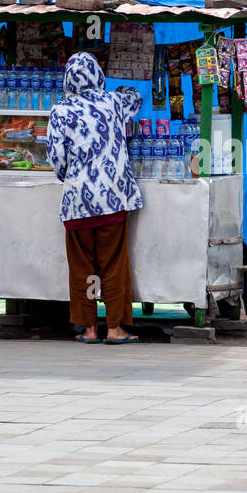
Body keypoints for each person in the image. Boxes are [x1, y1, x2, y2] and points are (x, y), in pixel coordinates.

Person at [47, 51, 143, 344]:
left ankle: (88, 328)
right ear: (98, 76)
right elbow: (135, 98)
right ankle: (115, 328)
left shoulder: (60, 110)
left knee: (83, 268)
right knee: (113, 264)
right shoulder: (114, 102)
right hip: (113, 199)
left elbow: (56, 156)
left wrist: (71, 178)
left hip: (76, 203)